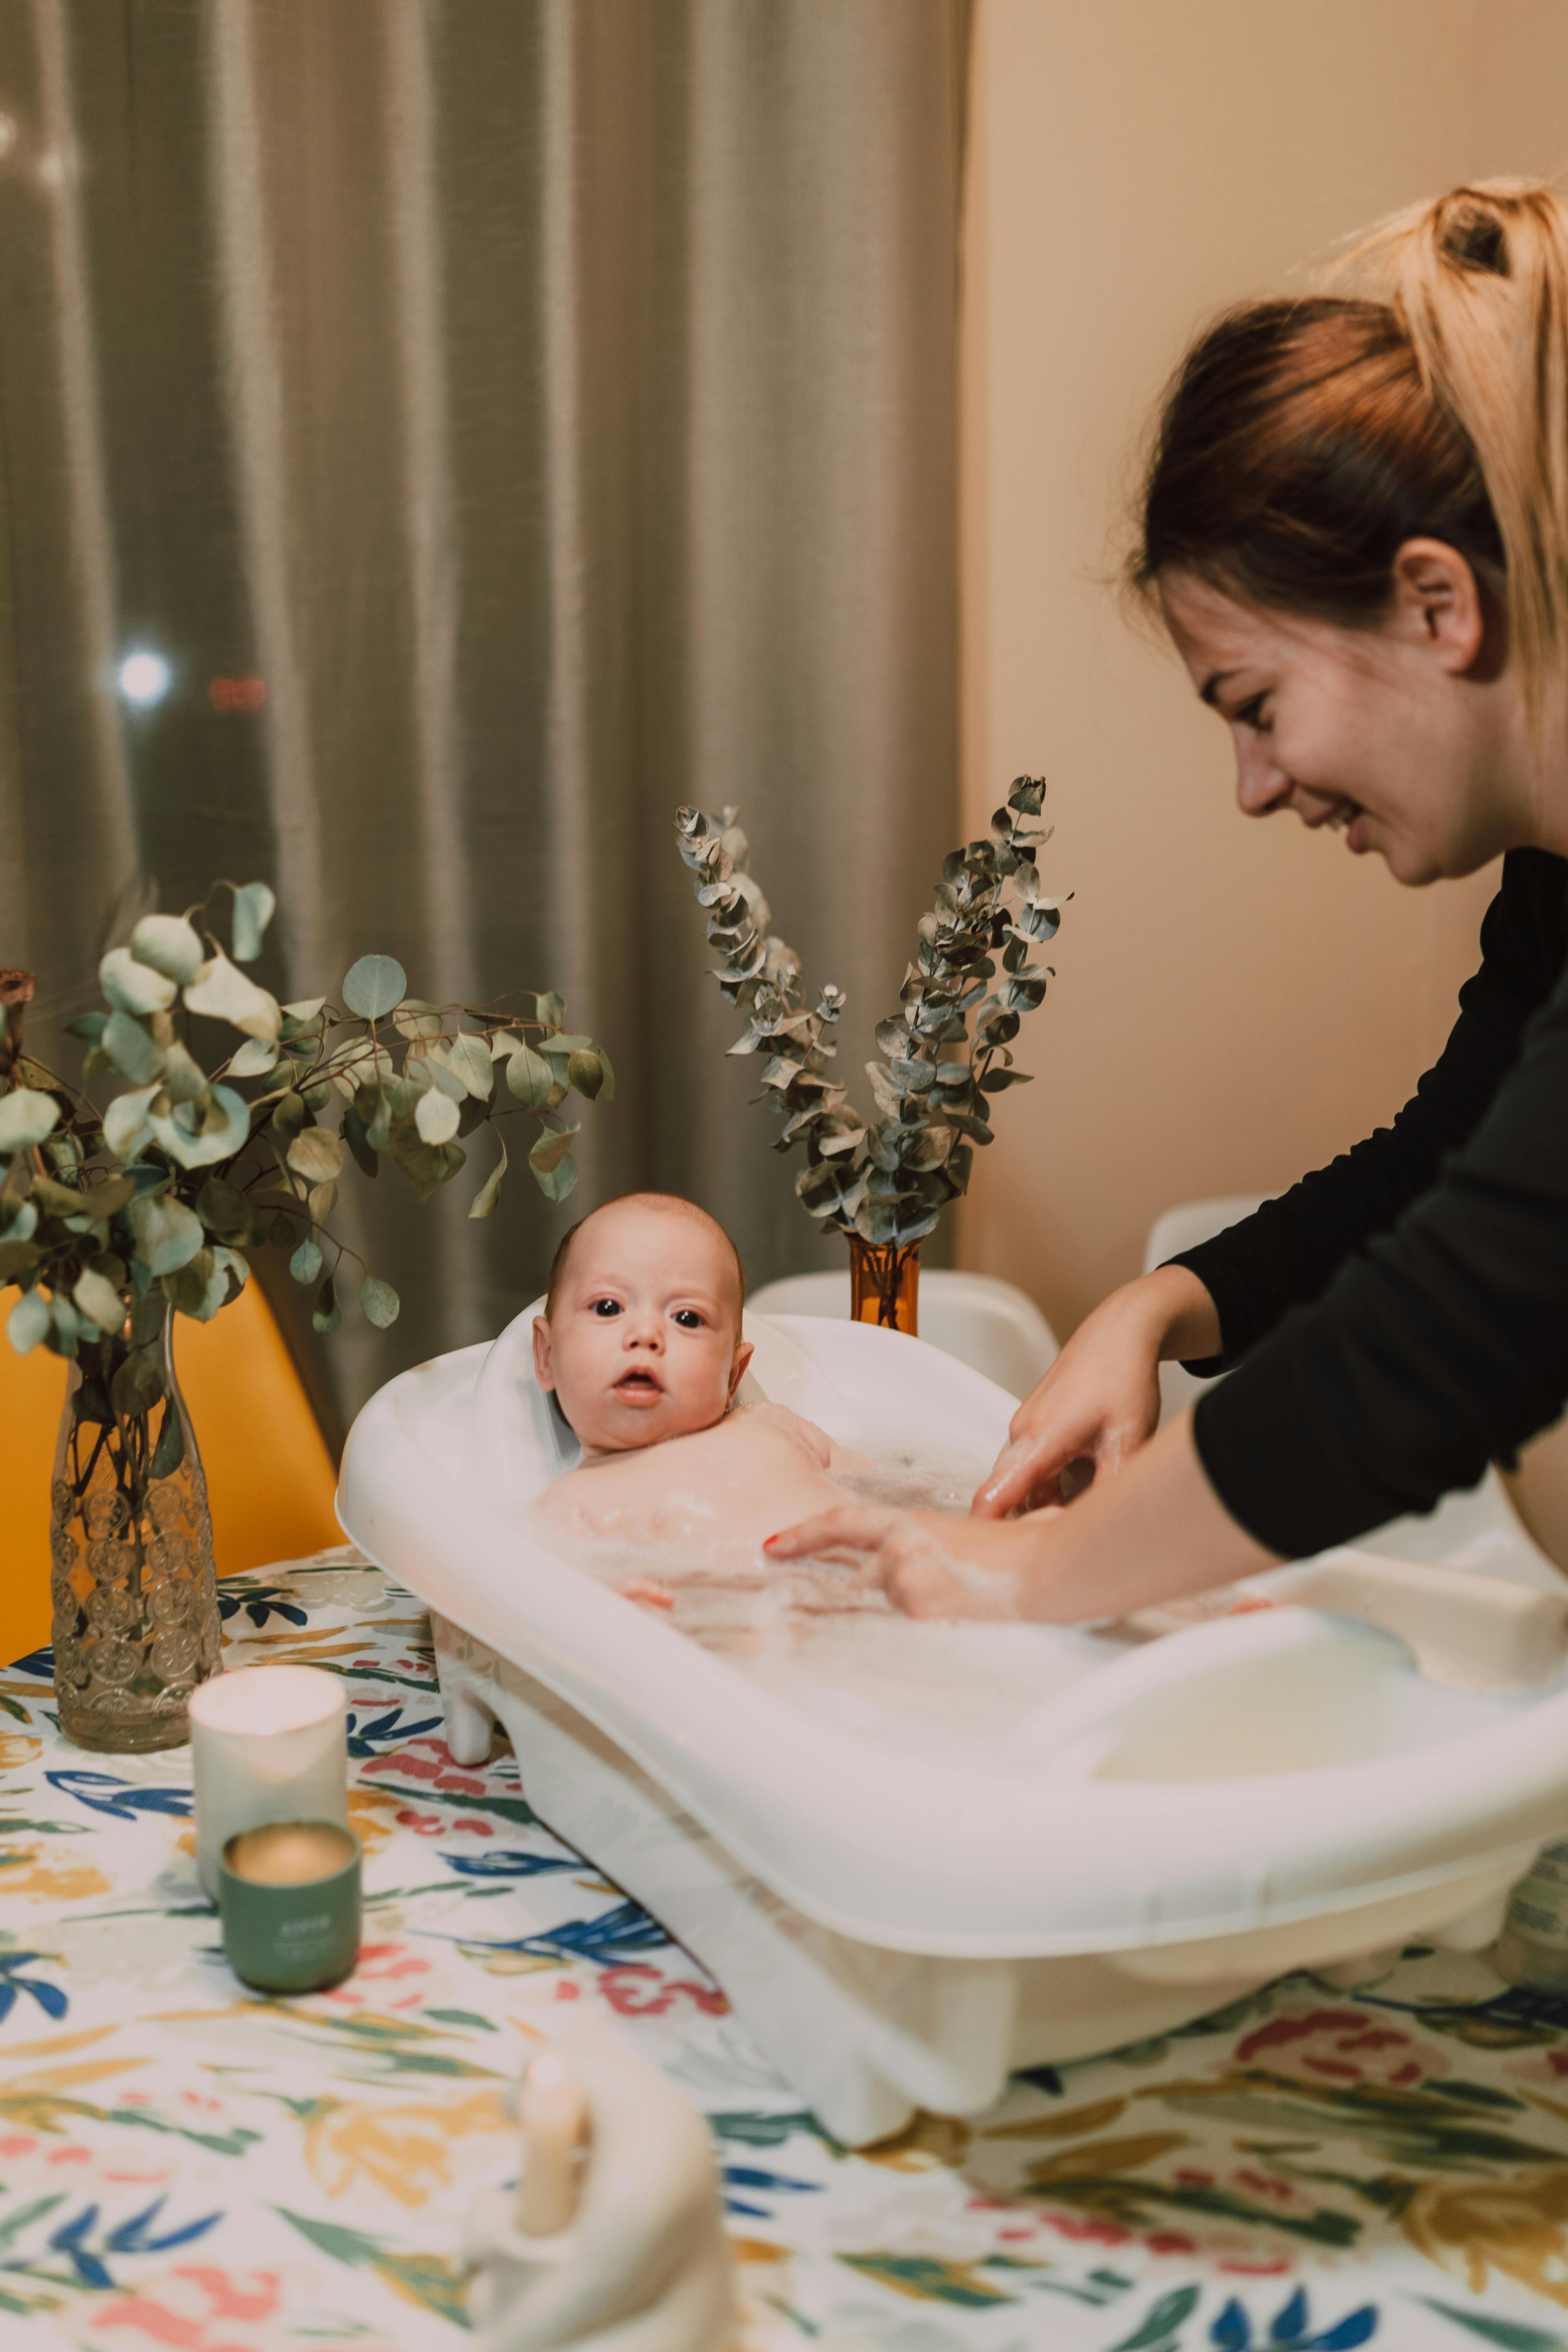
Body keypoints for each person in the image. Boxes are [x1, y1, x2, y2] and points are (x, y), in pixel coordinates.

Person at [766, 179, 1568, 1626]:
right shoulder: (1551, 888)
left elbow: (1451, 1328)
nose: (1254, 788)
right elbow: (1439, 1163)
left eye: (1254, 706)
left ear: (1435, 603)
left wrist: (1036, 1573)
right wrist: (1155, 1306)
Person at [531, 1192, 875, 1593]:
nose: (645, 1335)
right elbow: (551, 1610)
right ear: (547, 1356)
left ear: (732, 1376)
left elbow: (884, 1487)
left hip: (885, 1586)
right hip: (753, 1632)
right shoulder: (573, 1503)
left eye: (687, 1318)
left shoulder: (773, 1423)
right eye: (608, 1307)